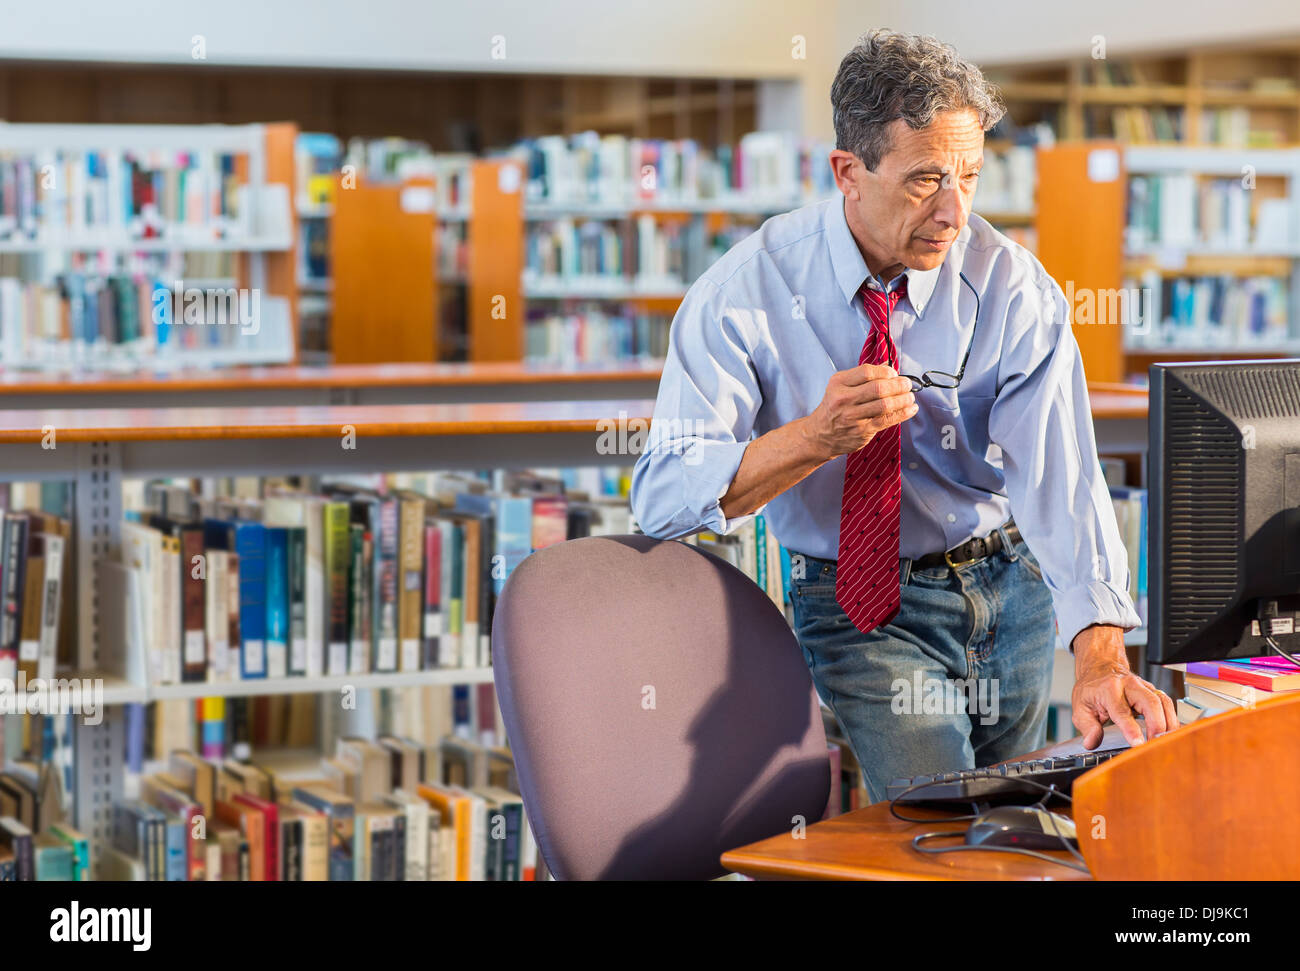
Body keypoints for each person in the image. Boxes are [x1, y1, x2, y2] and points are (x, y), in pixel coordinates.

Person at [629, 27, 1178, 802]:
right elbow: (661, 494)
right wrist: (813, 438)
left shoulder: (1012, 287)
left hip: (1010, 588)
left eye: (971, 176)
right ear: (848, 173)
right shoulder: (746, 291)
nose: (954, 211)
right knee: (942, 818)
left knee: (1011, 825)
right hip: (863, 605)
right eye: (925, 180)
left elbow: (1064, 479)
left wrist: (1098, 652)